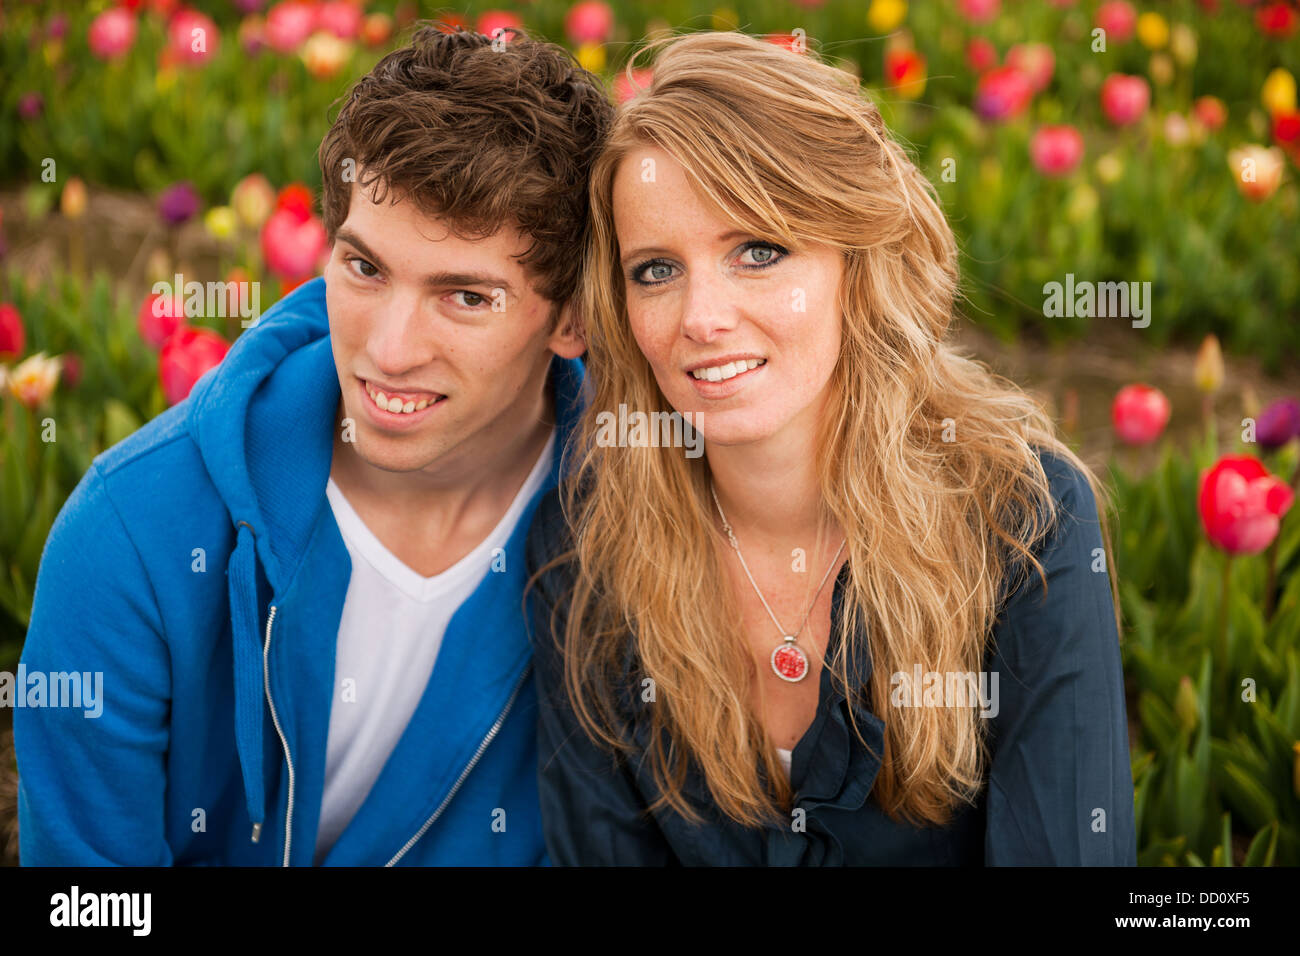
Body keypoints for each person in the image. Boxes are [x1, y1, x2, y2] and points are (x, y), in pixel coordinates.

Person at [525, 30, 1137, 866]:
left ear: (858, 260)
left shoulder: (1023, 521)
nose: (702, 317)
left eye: (759, 251)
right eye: (656, 270)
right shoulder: (586, 542)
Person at [15, 25, 610, 865]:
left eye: (466, 297)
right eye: (365, 269)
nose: (390, 348)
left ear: (575, 317)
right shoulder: (132, 530)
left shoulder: (641, 540)